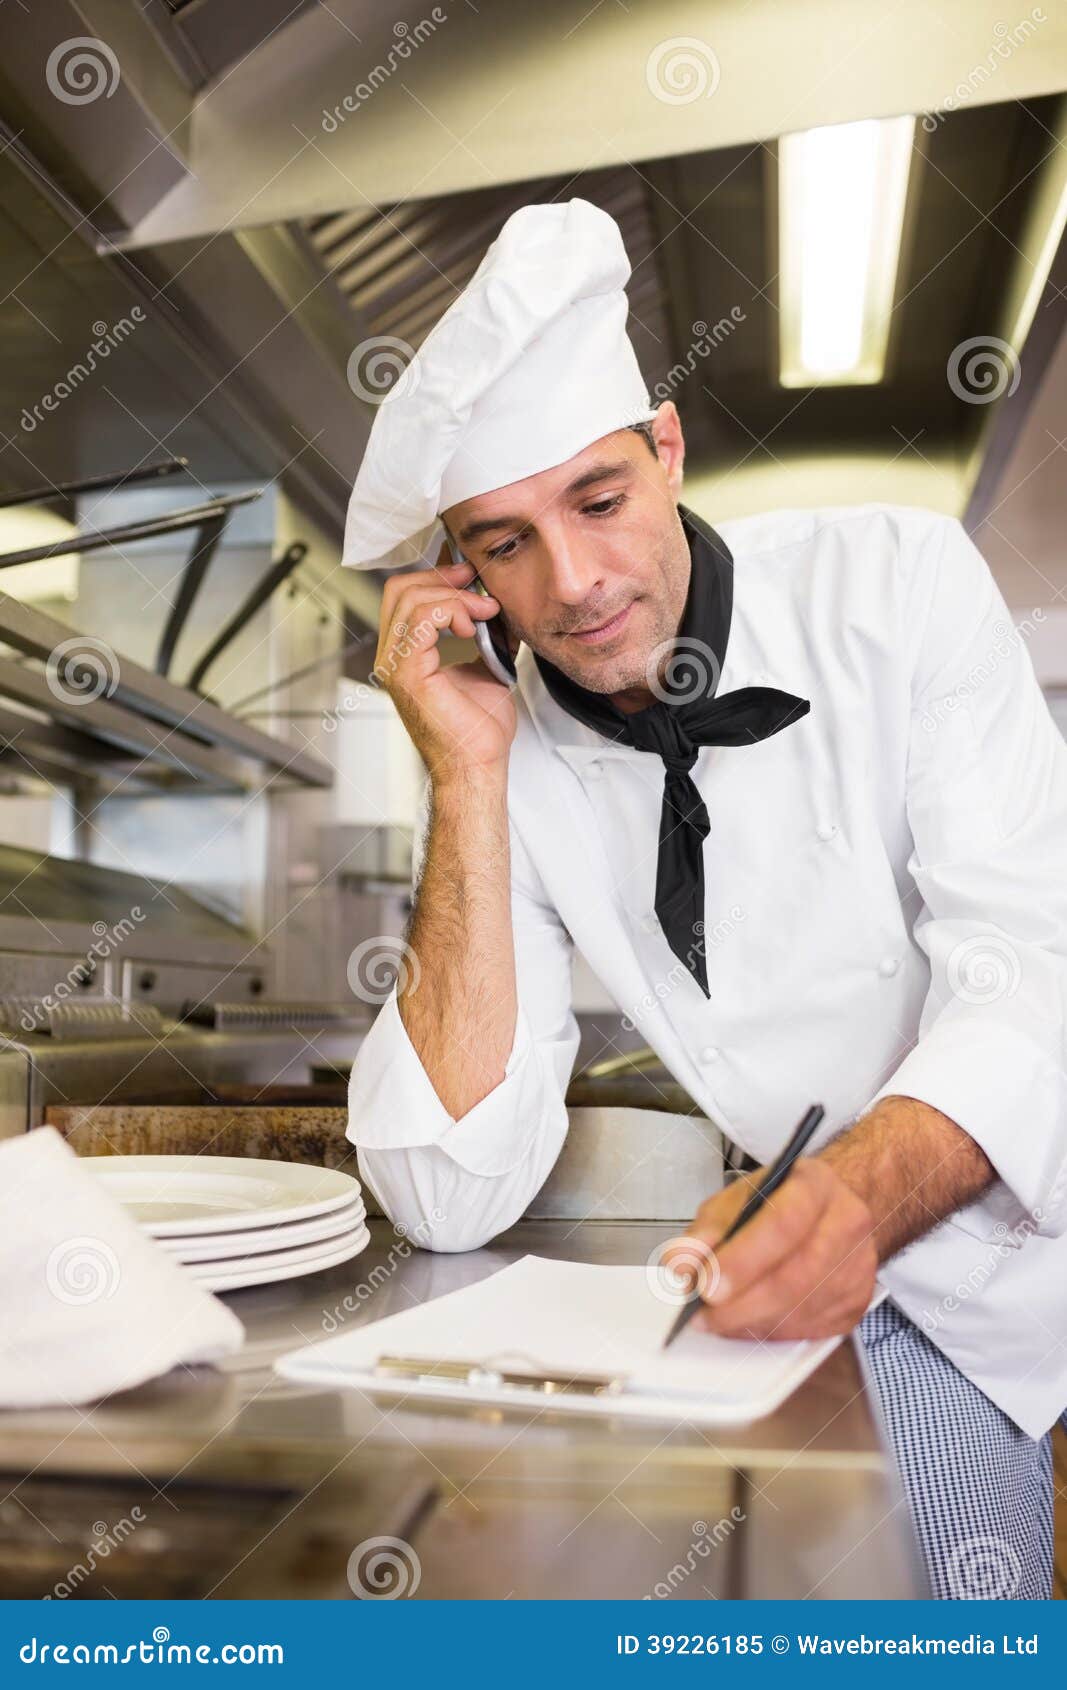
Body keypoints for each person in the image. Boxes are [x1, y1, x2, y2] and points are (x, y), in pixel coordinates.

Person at [340, 197, 1067, 1600]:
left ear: (668, 449)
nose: (576, 584)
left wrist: (852, 1197)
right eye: (503, 543)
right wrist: (466, 780)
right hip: (788, 1282)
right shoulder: (509, 741)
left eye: (599, 502)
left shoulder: (897, 586)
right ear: (462, 573)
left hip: (1007, 1239)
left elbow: (1037, 962)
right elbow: (445, 1189)